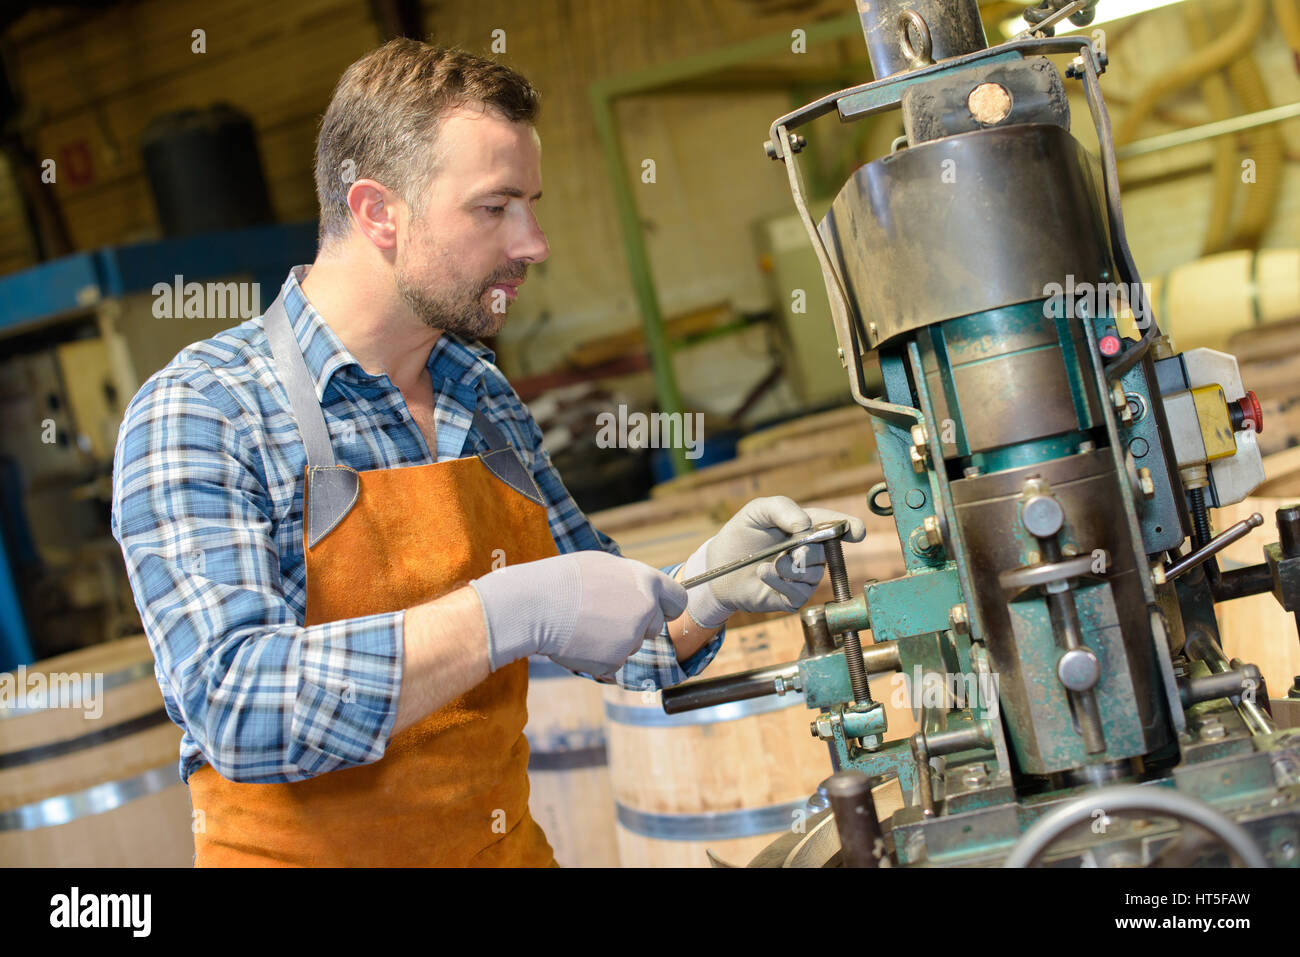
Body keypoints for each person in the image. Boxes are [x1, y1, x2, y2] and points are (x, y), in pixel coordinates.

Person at [110, 38, 865, 867]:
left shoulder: (479, 392)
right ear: (377, 213)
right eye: (494, 207)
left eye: (532, 204)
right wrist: (505, 612)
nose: (534, 242)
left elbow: (607, 630)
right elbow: (241, 709)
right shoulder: (205, 411)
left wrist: (715, 585)